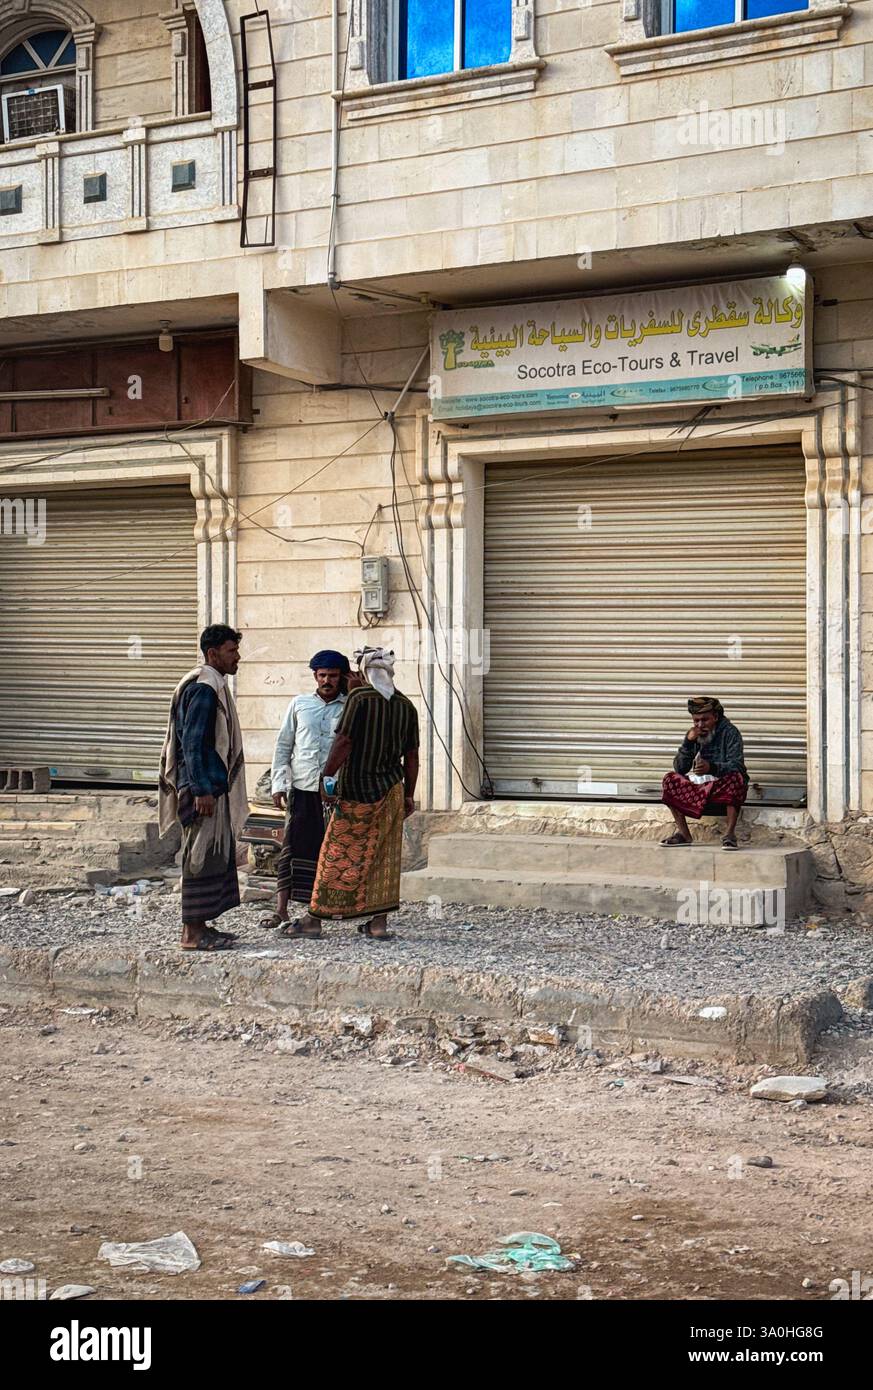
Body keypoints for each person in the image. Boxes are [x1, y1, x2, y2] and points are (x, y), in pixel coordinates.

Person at [287, 647, 419, 941]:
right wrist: (409, 794)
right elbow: (411, 756)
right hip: (392, 792)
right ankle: (378, 923)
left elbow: (344, 741)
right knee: (383, 859)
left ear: (364, 672)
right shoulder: (406, 705)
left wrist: (327, 776)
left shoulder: (359, 699)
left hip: (357, 792)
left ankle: (314, 920)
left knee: (335, 854)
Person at [158, 624, 247, 950]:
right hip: (201, 789)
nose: (237, 657)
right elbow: (192, 744)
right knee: (198, 858)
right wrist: (201, 790)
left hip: (208, 785)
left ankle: (203, 926)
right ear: (213, 654)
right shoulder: (204, 689)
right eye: (231, 651)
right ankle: (192, 934)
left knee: (212, 858)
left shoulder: (212, 685)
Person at [260, 650, 352, 933]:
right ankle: (281, 909)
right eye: (322, 675)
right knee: (291, 848)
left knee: (332, 851)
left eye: (333, 676)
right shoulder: (299, 705)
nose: (327, 681)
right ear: (315, 676)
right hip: (302, 788)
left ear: (342, 678)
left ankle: (323, 910)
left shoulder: (350, 707)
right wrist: (279, 783)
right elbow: (284, 746)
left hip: (336, 792)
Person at [661, 696, 748, 851]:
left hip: (722, 792)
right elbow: (679, 768)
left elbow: (737, 765)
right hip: (701, 791)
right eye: (696, 721)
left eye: (705, 720)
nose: (700, 725)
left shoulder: (730, 732)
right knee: (670, 779)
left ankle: (729, 835)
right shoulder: (694, 734)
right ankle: (684, 834)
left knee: (737, 778)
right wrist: (688, 743)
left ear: (715, 717)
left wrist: (712, 768)